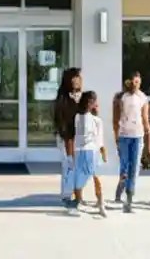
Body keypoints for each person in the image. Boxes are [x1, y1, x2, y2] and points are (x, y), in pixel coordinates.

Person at [111, 70, 150, 213]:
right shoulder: (120, 97)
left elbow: (145, 119)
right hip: (124, 136)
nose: (136, 85)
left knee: (134, 167)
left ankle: (129, 199)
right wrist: (116, 137)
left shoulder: (143, 98)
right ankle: (120, 188)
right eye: (134, 82)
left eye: (138, 82)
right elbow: (115, 120)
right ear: (128, 82)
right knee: (125, 167)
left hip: (138, 136)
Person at [69, 90, 109, 217]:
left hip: (91, 150)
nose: (93, 104)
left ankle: (101, 201)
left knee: (95, 176)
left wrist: (103, 152)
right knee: (79, 177)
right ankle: (79, 200)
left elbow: (100, 139)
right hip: (80, 150)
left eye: (94, 102)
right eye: (91, 101)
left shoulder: (96, 120)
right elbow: (75, 136)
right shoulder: (77, 117)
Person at [52, 67, 84, 209]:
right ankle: (66, 195)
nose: (79, 79)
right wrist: (68, 142)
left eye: (79, 77)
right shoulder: (63, 99)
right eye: (76, 77)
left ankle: (78, 195)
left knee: (78, 167)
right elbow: (62, 122)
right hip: (66, 137)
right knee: (69, 165)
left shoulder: (83, 97)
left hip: (79, 138)